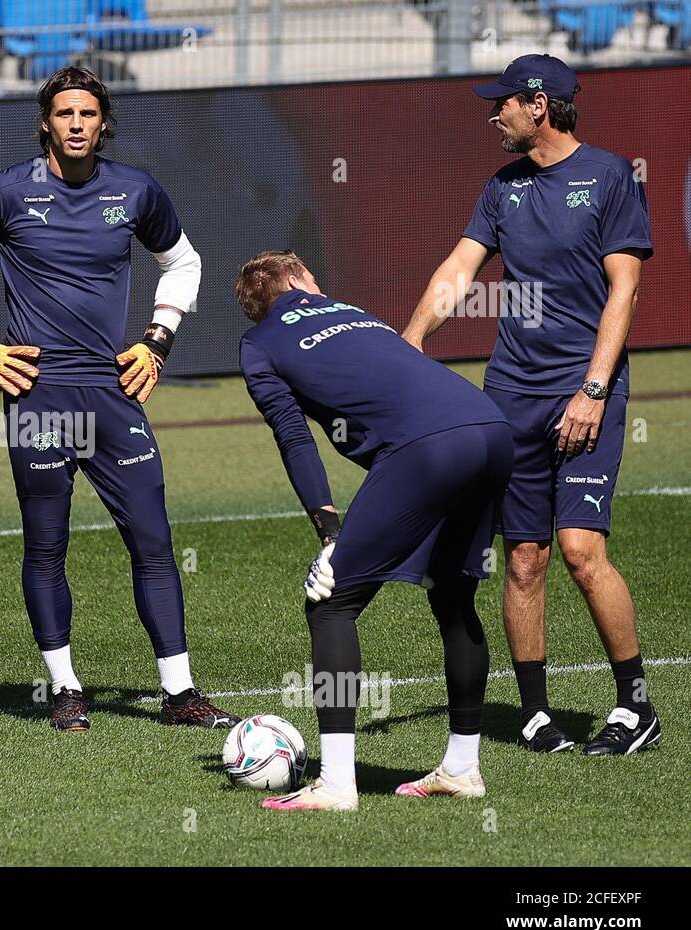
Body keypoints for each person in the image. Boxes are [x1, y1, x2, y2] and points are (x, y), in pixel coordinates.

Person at [0, 67, 236, 732]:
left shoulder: (136, 190)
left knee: (152, 540)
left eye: (88, 113)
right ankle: (65, 690)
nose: (78, 124)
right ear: (46, 123)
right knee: (47, 546)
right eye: (65, 114)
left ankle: (180, 693)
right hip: (38, 395)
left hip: (114, 394)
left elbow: (185, 262)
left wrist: (157, 340)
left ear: (104, 121)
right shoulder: (3, 192)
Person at [403, 54, 659, 756]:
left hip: (585, 389)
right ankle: (538, 714)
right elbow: (461, 268)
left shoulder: (608, 177)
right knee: (522, 558)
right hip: (510, 393)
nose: (494, 114)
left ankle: (637, 707)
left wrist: (594, 389)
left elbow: (625, 291)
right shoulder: (502, 187)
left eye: (503, 104)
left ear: (539, 104)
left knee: (580, 550)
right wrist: (414, 337)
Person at [236, 251, 511, 811]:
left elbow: (295, 437)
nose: (318, 280)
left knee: (331, 604)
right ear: (297, 282)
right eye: (313, 274)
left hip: (429, 449)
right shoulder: (353, 311)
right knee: (454, 595)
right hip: (490, 428)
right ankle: (461, 769)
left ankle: (337, 784)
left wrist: (328, 533)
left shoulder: (259, 342)